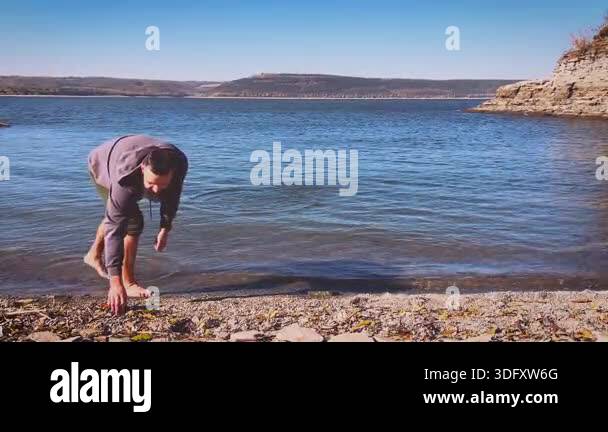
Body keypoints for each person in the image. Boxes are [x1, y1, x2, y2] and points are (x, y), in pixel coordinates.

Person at [84, 135, 188, 315]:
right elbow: (115, 229)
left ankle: (93, 255)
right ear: (142, 169)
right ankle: (128, 282)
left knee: (116, 214)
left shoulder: (179, 163)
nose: (155, 191)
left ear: (173, 172)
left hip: (126, 155)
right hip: (101, 165)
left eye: (162, 184)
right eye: (151, 183)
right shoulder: (124, 178)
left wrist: (165, 228)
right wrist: (114, 283)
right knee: (131, 221)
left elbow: (173, 196)